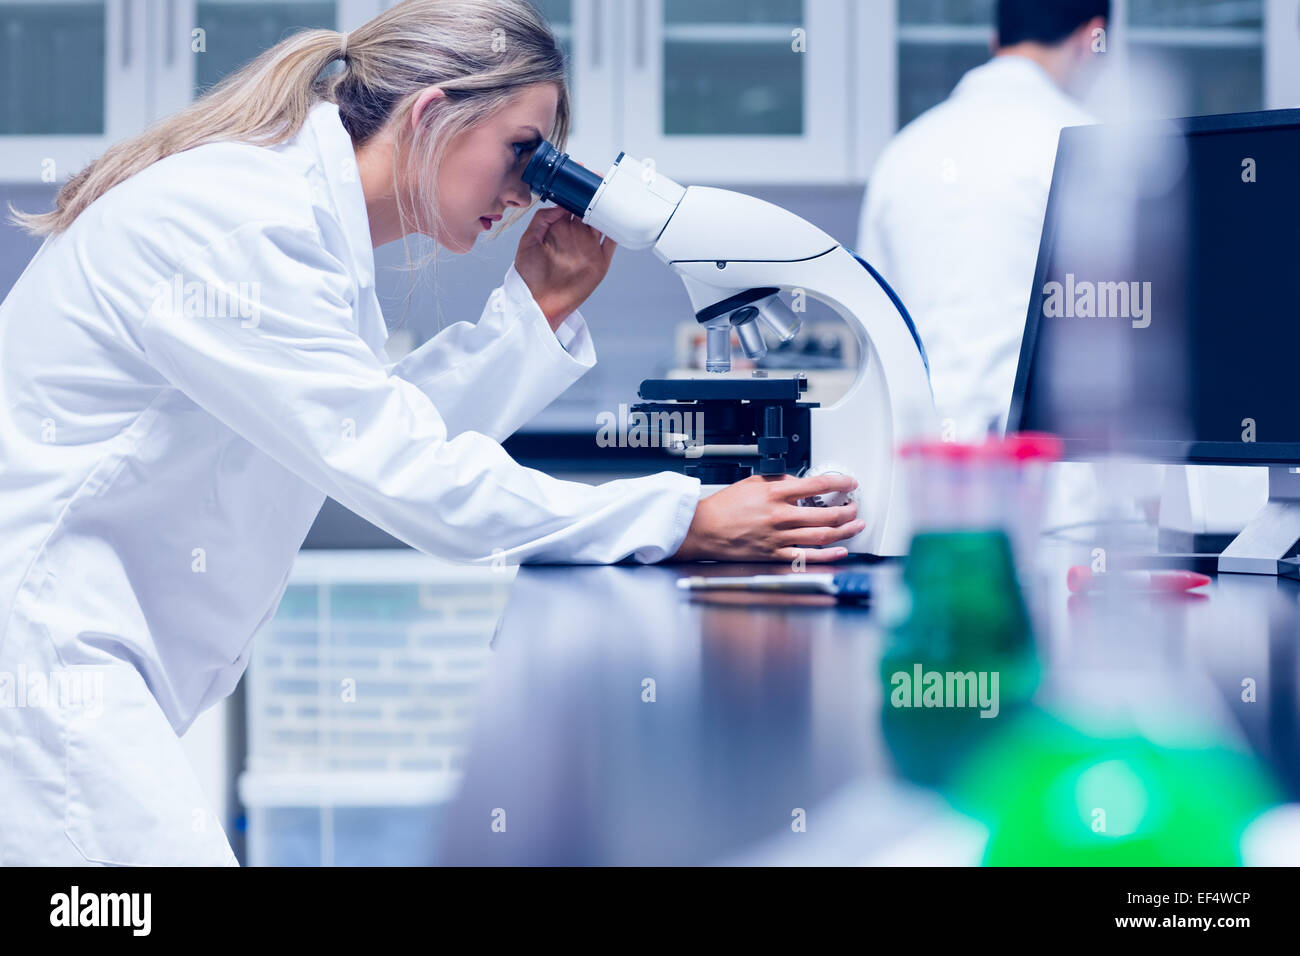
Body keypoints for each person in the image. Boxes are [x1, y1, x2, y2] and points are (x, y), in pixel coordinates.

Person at [0, 0, 861, 865]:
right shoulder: (247, 223)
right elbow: (403, 473)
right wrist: (682, 519)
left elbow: (377, 434)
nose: (528, 190)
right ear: (431, 115)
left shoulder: (298, 222)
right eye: (523, 152)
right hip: (43, 655)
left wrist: (538, 309)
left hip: (88, 654)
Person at [858, 0, 1109, 442]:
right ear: (1093, 36)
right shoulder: (1088, 143)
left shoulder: (902, 153)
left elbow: (875, 326)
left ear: (995, 42)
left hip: (925, 466)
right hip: (1054, 479)